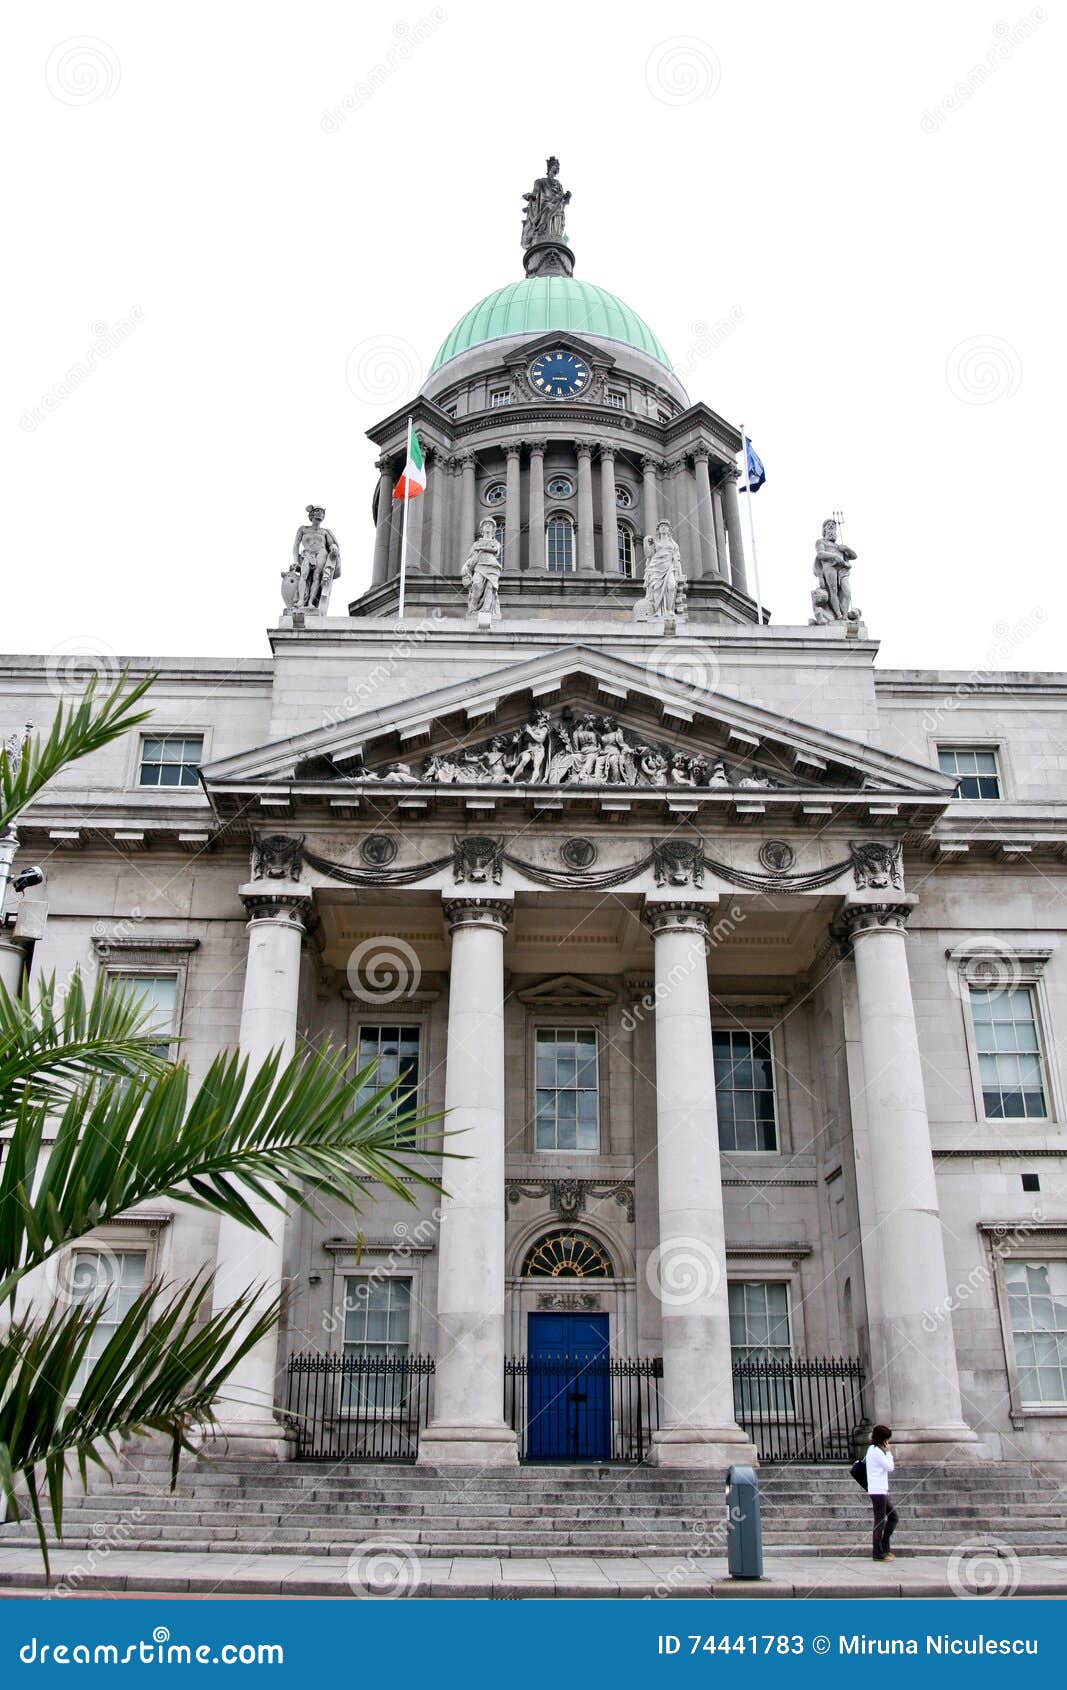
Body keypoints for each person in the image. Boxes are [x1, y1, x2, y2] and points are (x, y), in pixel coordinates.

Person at [865, 1424, 898, 1561]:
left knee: (893, 1517)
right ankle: (878, 1552)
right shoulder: (876, 1452)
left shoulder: (872, 1450)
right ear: (882, 1440)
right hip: (878, 1491)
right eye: (887, 1439)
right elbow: (890, 1467)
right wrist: (889, 1452)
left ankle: (884, 1547)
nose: (888, 1442)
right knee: (880, 1522)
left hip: (879, 1490)